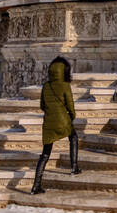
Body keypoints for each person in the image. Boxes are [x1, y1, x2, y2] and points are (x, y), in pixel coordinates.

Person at [31, 55, 81, 195]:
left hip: (48, 122)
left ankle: (36, 185)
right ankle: (74, 167)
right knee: (73, 137)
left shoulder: (46, 86)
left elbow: (42, 105)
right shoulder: (65, 86)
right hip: (62, 119)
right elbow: (70, 105)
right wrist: (72, 116)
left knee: (45, 154)